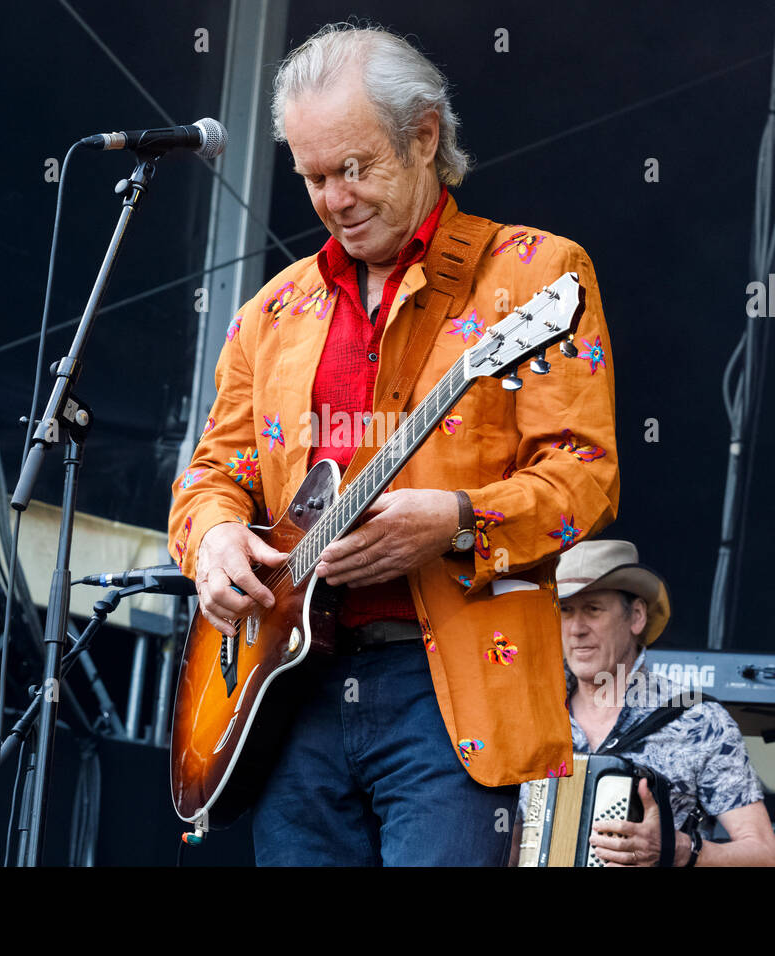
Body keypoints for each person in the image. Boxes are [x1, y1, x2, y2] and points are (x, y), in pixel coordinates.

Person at [169, 23, 619, 866]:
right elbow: (211, 476)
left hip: (450, 692)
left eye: (354, 168)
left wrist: (456, 519)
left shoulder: (534, 275)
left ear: (424, 138)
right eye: (312, 177)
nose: (335, 198)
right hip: (287, 702)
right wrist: (217, 540)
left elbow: (585, 477)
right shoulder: (271, 312)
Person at [515, 539, 775, 866]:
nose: (576, 629)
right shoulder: (528, 717)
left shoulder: (698, 722)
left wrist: (680, 849)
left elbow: (768, 858)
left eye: (593, 610)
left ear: (637, 616)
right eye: (566, 610)